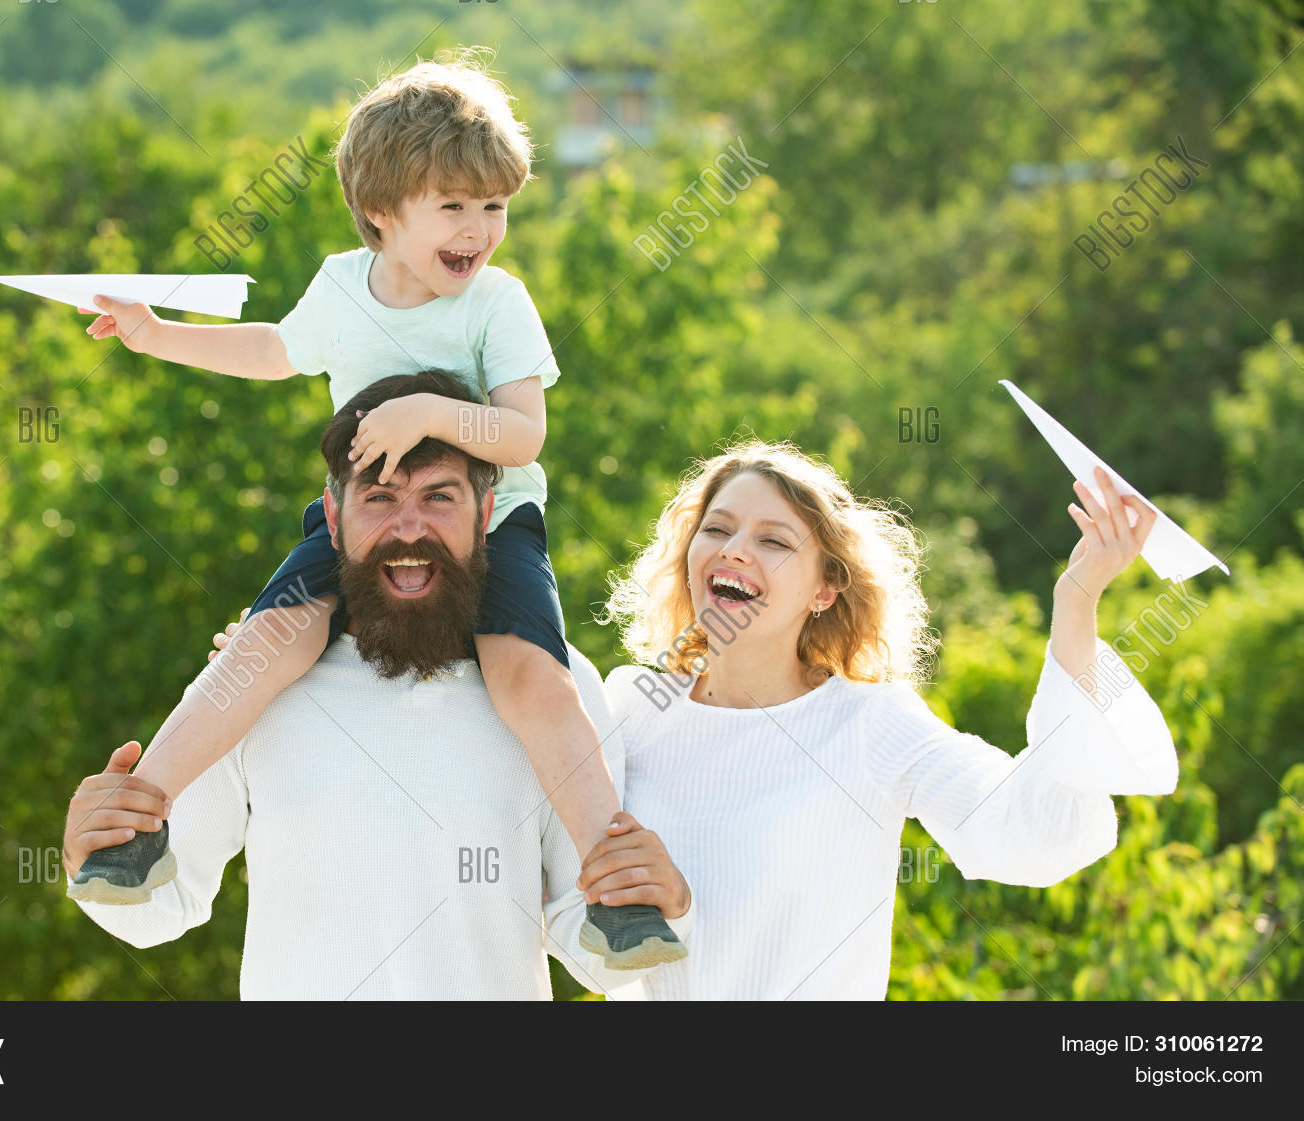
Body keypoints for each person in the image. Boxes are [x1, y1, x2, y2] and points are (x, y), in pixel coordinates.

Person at [70, 50, 684, 965]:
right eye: (455, 206)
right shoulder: (339, 289)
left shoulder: (498, 304)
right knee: (263, 641)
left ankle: (616, 881)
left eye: (495, 207)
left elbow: (522, 438)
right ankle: (138, 814)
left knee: (528, 674)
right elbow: (277, 351)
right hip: (352, 523)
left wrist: (434, 415)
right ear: (381, 215)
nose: (480, 229)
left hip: (499, 520)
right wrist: (158, 337)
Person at [62, 373, 693, 998]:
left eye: (440, 498)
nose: (410, 528)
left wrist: (660, 900)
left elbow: (594, 955)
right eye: (381, 498)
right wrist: (95, 843)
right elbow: (157, 909)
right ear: (333, 518)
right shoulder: (254, 684)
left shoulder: (558, 691)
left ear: (487, 517)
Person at [579, 440, 1179, 999]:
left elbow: (1039, 828)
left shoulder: (868, 724)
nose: (734, 549)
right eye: (717, 528)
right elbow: (575, 931)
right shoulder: (635, 707)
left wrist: (1077, 599)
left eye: (775, 541)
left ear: (825, 590)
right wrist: (672, 915)